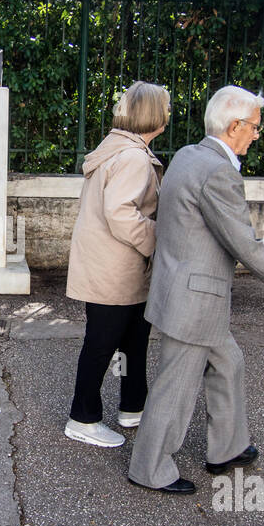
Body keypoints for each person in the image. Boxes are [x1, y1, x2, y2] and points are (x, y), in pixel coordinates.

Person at [128, 86, 264, 494]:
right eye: (253, 127)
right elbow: (245, 244)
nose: (256, 134)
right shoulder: (218, 172)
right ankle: (149, 469)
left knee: (229, 363)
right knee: (175, 389)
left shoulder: (187, 155)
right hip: (196, 299)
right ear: (234, 126)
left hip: (183, 290)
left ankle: (227, 450)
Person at [64, 81, 168, 447]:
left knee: (133, 340)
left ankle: (132, 407)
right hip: (116, 268)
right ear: (154, 116)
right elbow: (121, 213)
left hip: (114, 266)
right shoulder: (133, 158)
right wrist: (158, 239)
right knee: (102, 344)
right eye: (166, 108)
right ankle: (83, 418)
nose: (169, 114)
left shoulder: (117, 151)